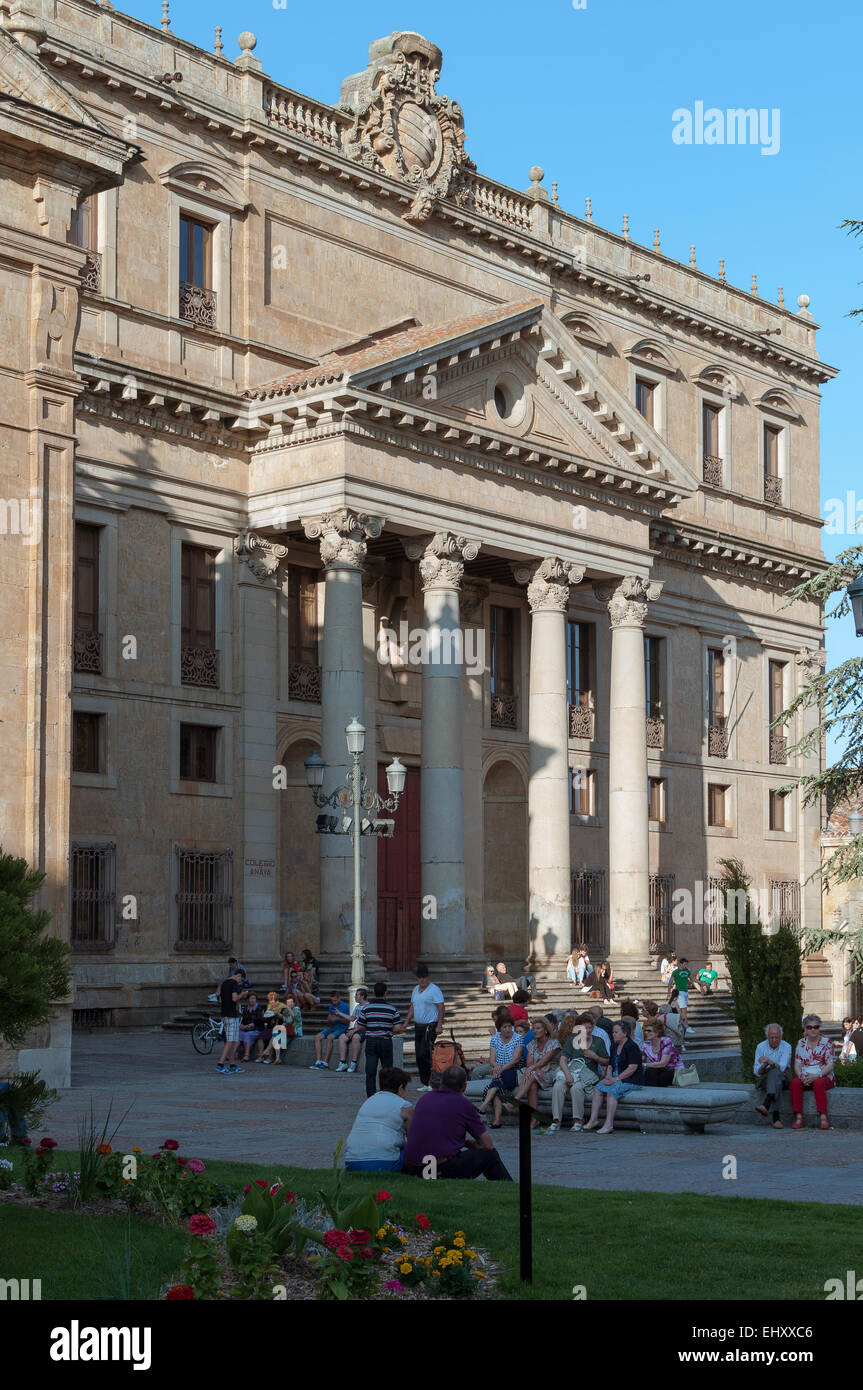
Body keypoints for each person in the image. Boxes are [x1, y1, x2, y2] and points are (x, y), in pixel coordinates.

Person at [403, 1065, 513, 1180]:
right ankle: (509, 1188)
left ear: (441, 1082)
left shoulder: (425, 1099)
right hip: (436, 1169)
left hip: (412, 1166)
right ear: (465, 1087)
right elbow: (488, 1145)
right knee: (490, 1155)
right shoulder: (464, 1104)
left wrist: (464, 1143)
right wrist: (469, 1144)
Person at [548, 1011, 609, 1133]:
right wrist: (568, 1075)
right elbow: (563, 1060)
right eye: (584, 1027)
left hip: (588, 1076)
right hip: (572, 1072)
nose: (587, 1030)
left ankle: (578, 1120)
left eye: (590, 1027)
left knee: (577, 1087)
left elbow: (606, 1062)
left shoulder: (598, 1041)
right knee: (558, 1086)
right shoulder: (572, 1039)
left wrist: (595, 1057)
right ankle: (556, 1120)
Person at [344, 1067, 413, 1172]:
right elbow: (414, 1139)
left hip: (351, 1162)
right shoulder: (404, 1105)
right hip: (384, 1162)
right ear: (400, 1088)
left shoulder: (369, 1101)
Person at [584, 1019, 643, 1133]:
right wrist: (608, 1077)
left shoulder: (632, 1046)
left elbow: (632, 1068)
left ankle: (608, 1124)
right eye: (613, 1032)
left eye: (616, 1032)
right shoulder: (614, 1046)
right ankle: (593, 1120)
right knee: (598, 1089)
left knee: (612, 1092)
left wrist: (615, 1079)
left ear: (624, 1033)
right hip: (615, 1077)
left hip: (630, 1079)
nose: (613, 1034)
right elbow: (610, 1065)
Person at [354, 982, 404, 1097]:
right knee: (387, 1071)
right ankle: (387, 1094)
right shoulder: (392, 1009)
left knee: (370, 1071)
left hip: (371, 1042)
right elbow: (397, 1028)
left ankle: (371, 1095)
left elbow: (361, 1026)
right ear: (385, 993)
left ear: (374, 993)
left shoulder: (367, 1008)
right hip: (386, 1041)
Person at [514, 1016, 561, 1129]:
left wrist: (534, 1069)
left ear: (545, 1030)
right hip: (536, 1074)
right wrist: (535, 1069)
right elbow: (529, 1063)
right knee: (533, 1086)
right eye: (533, 1028)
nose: (535, 1031)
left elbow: (545, 1060)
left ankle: (515, 1101)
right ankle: (534, 1120)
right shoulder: (532, 1044)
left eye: (538, 1028)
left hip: (551, 1073)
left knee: (531, 1074)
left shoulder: (554, 1043)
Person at [404, 964, 445, 1092]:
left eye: (424, 978)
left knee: (425, 1053)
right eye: (420, 978)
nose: (422, 980)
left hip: (430, 1026)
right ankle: (424, 1082)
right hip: (418, 1026)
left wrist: (439, 1024)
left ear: (428, 977)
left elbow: (441, 1007)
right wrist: (406, 1022)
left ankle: (431, 1082)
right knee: (418, 1054)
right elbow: (412, 1006)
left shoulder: (434, 990)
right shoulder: (415, 989)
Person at [791, 1015, 835, 1130]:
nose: (813, 1029)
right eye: (809, 1027)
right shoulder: (801, 1043)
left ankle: (823, 1116)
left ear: (819, 1028)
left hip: (824, 1075)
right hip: (806, 1075)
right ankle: (799, 1117)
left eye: (816, 1026)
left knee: (818, 1083)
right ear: (805, 1029)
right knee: (795, 1083)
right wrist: (801, 1076)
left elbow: (830, 1064)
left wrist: (817, 1075)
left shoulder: (827, 1042)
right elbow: (797, 1064)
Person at [478, 1016, 523, 1127]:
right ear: (499, 1029)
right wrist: (497, 1067)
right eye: (505, 1027)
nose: (508, 1029)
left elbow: (516, 1059)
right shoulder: (495, 1039)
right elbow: (492, 1059)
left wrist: (500, 1069)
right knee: (497, 1089)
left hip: (512, 1070)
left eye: (509, 1026)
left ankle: (484, 1105)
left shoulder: (518, 1038)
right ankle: (497, 1121)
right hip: (498, 1070)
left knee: (496, 1081)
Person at [753, 1022, 792, 1127]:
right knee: (775, 1081)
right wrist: (764, 1065)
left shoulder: (787, 1046)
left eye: (777, 1037)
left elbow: (782, 1067)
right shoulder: (760, 1047)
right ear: (767, 1036)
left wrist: (770, 1062)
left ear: (781, 1036)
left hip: (784, 1077)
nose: (774, 1040)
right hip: (765, 1079)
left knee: (775, 1073)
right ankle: (776, 1118)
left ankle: (767, 1103)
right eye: (771, 1038)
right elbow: (756, 1071)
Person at [215, 968, 247, 1074]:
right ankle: (220, 1064)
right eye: (241, 980)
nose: (240, 982)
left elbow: (220, 999)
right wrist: (241, 995)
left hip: (224, 1014)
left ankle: (232, 1065)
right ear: (238, 976)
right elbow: (234, 998)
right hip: (231, 1015)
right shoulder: (233, 983)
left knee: (232, 1041)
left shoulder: (224, 983)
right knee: (230, 1041)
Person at [311, 991, 351, 1070]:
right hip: (334, 1027)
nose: (334, 1002)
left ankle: (325, 1063)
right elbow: (329, 1019)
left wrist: (338, 1018)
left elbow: (348, 1021)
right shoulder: (331, 1006)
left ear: (339, 998)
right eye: (332, 1001)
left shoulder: (345, 1006)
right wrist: (330, 1019)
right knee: (317, 1037)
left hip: (342, 1027)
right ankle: (318, 1061)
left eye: (335, 1000)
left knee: (330, 1037)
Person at [641, 1018, 682, 1087]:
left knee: (661, 1076)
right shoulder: (646, 1045)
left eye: (649, 1031)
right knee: (650, 1072)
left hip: (674, 1071)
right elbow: (641, 1059)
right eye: (645, 1030)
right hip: (658, 1070)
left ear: (657, 1032)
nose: (646, 1033)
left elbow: (663, 1063)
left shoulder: (666, 1041)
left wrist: (644, 1065)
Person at [336, 987, 369, 1072]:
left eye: (357, 995)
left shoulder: (368, 1007)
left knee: (355, 1037)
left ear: (362, 996)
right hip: (355, 1029)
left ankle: (353, 1063)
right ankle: (343, 1063)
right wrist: (339, 1013)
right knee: (342, 1037)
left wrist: (354, 1031)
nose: (355, 997)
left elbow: (366, 1024)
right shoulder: (358, 1006)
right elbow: (352, 1018)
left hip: (364, 1030)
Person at [238, 993, 264, 1062]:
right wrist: (242, 1025)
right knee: (238, 1034)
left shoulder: (259, 1008)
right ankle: (231, 1054)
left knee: (247, 1035)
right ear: (248, 1000)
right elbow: (244, 1020)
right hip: (247, 1029)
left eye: (254, 998)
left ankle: (247, 1055)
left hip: (257, 1029)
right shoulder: (246, 1009)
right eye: (251, 998)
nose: (253, 1000)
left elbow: (258, 1021)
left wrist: (247, 1026)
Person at [670, 957, 692, 1034]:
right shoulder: (675, 972)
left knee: (683, 1011)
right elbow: (670, 981)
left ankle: (683, 1026)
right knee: (683, 1011)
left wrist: (700, 982)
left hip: (686, 992)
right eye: (684, 964)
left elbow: (691, 979)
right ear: (680, 964)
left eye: (686, 964)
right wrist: (668, 992)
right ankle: (687, 1026)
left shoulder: (687, 971)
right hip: (680, 992)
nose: (686, 966)